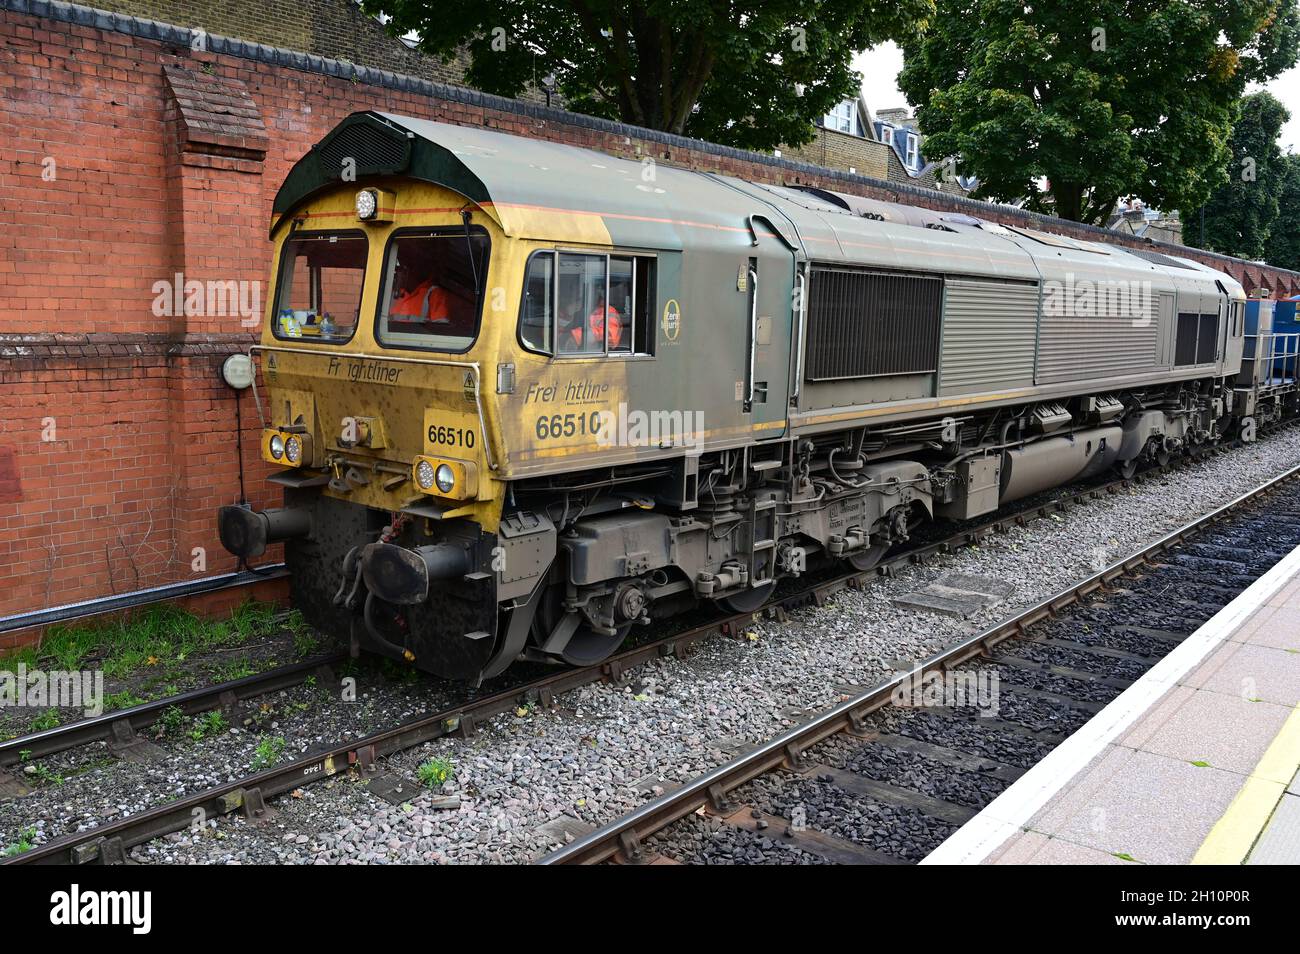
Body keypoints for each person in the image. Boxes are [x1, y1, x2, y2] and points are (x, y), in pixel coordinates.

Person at [388, 246, 450, 325]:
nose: (399, 272)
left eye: (405, 267)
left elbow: (441, 330)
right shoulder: (394, 293)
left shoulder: (434, 293)